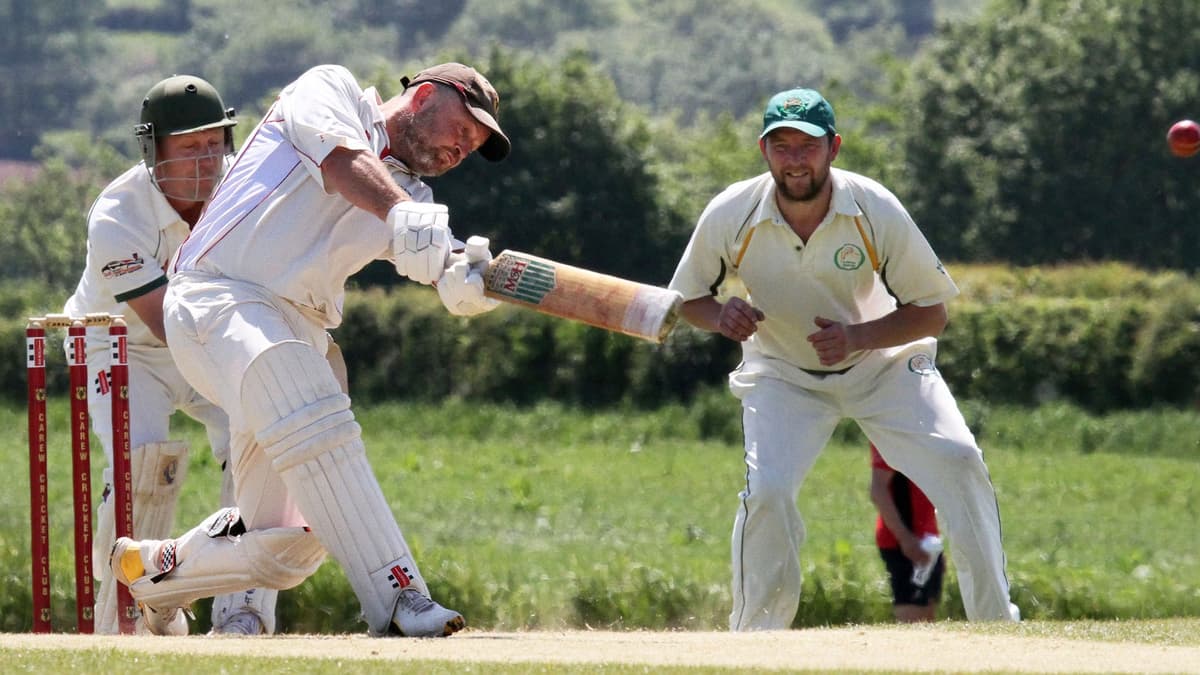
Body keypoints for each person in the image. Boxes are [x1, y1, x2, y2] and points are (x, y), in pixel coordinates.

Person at [108, 61, 509, 637]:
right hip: (218, 300)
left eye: (473, 146)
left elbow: (433, 247)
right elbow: (343, 162)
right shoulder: (331, 90)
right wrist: (403, 215)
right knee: (304, 384)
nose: (461, 148)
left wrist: (464, 277)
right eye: (463, 129)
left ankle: (155, 572)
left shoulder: (412, 197)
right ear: (422, 97)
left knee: (285, 548)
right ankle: (401, 601)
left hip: (291, 338)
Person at [668, 86, 1019, 630]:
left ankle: (998, 628)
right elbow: (685, 299)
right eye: (780, 146)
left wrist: (859, 336)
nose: (794, 159)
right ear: (764, 152)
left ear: (834, 147)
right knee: (769, 492)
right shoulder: (732, 211)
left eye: (807, 145)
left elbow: (931, 314)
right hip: (782, 374)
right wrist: (721, 317)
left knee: (958, 459)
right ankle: (755, 643)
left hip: (884, 362)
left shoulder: (873, 207)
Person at [64, 74, 277, 635]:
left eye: (215, 144)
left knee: (261, 445)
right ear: (152, 150)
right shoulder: (118, 216)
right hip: (121, 344)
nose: (207, 161)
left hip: (207, 337)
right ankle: (125, 619)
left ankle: (242, 613)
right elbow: (167, 325)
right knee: (145, 465)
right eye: (189, 147)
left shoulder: (242, 192)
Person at [869, 443, 944, 622]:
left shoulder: (924, 431)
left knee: (928, 619)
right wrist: (906, 539)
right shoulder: (889, 434)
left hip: (928, 540)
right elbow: (878, 490)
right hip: (904, 541)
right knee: (912, 622)